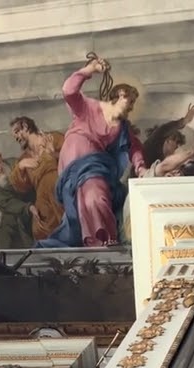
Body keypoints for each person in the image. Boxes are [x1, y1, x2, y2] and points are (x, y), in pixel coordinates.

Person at [39, 55, 147, 249]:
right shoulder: (90, 107)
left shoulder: (122, 128)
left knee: (92, 197)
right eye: (129, 102)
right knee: (92, 195)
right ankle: (103, 240)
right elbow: (69, 91)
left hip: (95, 165)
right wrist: (90, 69)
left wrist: (141, 168)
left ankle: (99, 241)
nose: (131, 108)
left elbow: (135, 147)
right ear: (120, 94)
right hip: (76, 160)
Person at [8, 116, 65, 241]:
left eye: (17, 131)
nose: (16, 137)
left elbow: (73, 157)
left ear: (26, 127)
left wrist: (52, 154)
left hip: (61, 191)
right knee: (39, 231)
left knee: (66, 226)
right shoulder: (24, 158)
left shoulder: (53, 138)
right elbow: (19, 186)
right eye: (14, 135)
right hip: (43, 202)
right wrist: (21, 167)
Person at [0, 149, 34, 249]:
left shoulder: (13, 163)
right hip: (13, 212)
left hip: (33, 198)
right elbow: (7, 203)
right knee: (5, 237)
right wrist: (28, 207)